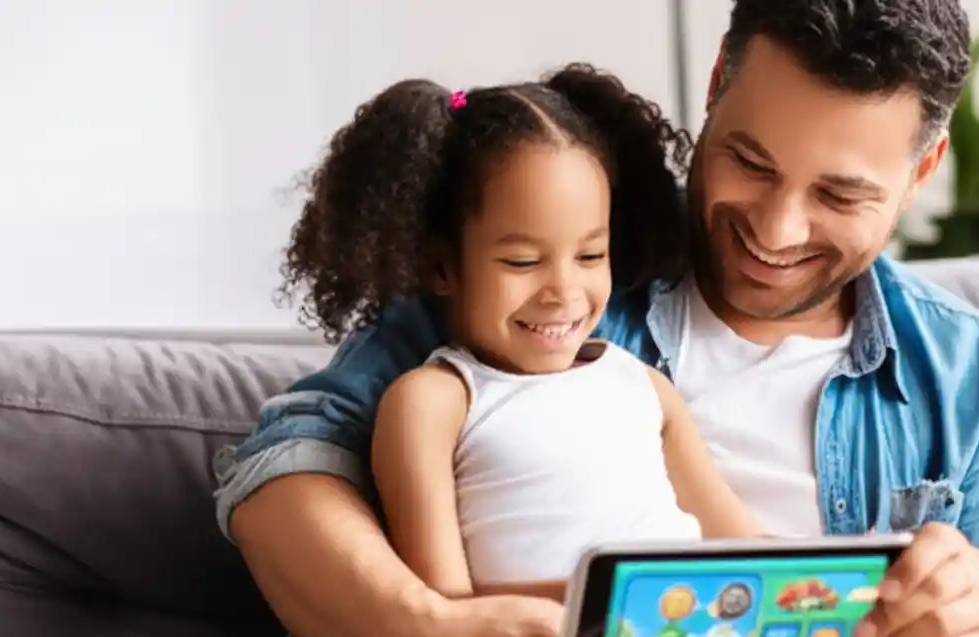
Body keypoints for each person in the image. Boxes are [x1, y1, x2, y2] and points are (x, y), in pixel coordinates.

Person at [194, 1, 979, 637]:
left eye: (838, 194)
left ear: (922, 168)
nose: (776, 232)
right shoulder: (548, 245)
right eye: (749, 160)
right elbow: (284, 467)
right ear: (715, 85)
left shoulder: (968, 372)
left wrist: (967, 629)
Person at [263, 64, 767, 608]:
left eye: (590, 256)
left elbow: (744, 548)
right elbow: (443, 606)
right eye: (523, 261)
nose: (563, 290)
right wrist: (608, 602)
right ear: (441, 268)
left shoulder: (643, 386)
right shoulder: (432, 402)